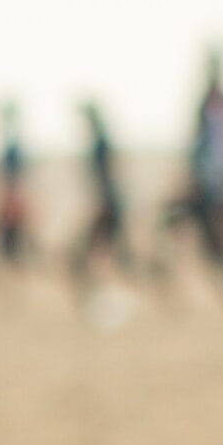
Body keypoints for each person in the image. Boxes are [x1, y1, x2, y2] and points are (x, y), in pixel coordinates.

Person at [157, 53, 223, 306]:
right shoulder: (212, 107)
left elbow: (220, 152)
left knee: (215, 250)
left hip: (211, 190)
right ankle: (171, 287)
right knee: (175, 230)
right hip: (207, 188)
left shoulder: (220, 109)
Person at [70, 102, 137, 299]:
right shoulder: (101, 143)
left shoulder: (101, 144)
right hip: (110, 204)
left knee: (96, 253)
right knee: (113, 255)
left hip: (108, 206)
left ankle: (104, 295)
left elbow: (109, 175)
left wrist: (102, 202)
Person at [0, 101, 34, 294]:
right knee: (8, 250)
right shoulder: (12, 147)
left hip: (12, 206)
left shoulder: (13, 149)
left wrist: (10, 206)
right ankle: (11, 289)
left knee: (10, 250)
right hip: (11, 205)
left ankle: (14, 289)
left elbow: (14, 179)